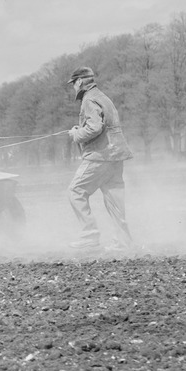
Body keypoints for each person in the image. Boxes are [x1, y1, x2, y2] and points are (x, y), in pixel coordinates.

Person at [65, 67, 135, 253]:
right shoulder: (103, 96)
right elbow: (101, 125)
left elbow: (95, 128)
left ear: (79, 81)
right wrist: (80, 129)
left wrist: (76, 134)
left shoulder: (88, 99)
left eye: (73, 83)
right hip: (116, 155)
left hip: (100, 155)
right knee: (114, 201)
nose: (73, 87)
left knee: (76, 191)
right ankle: (123, 242)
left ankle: (90, 235)